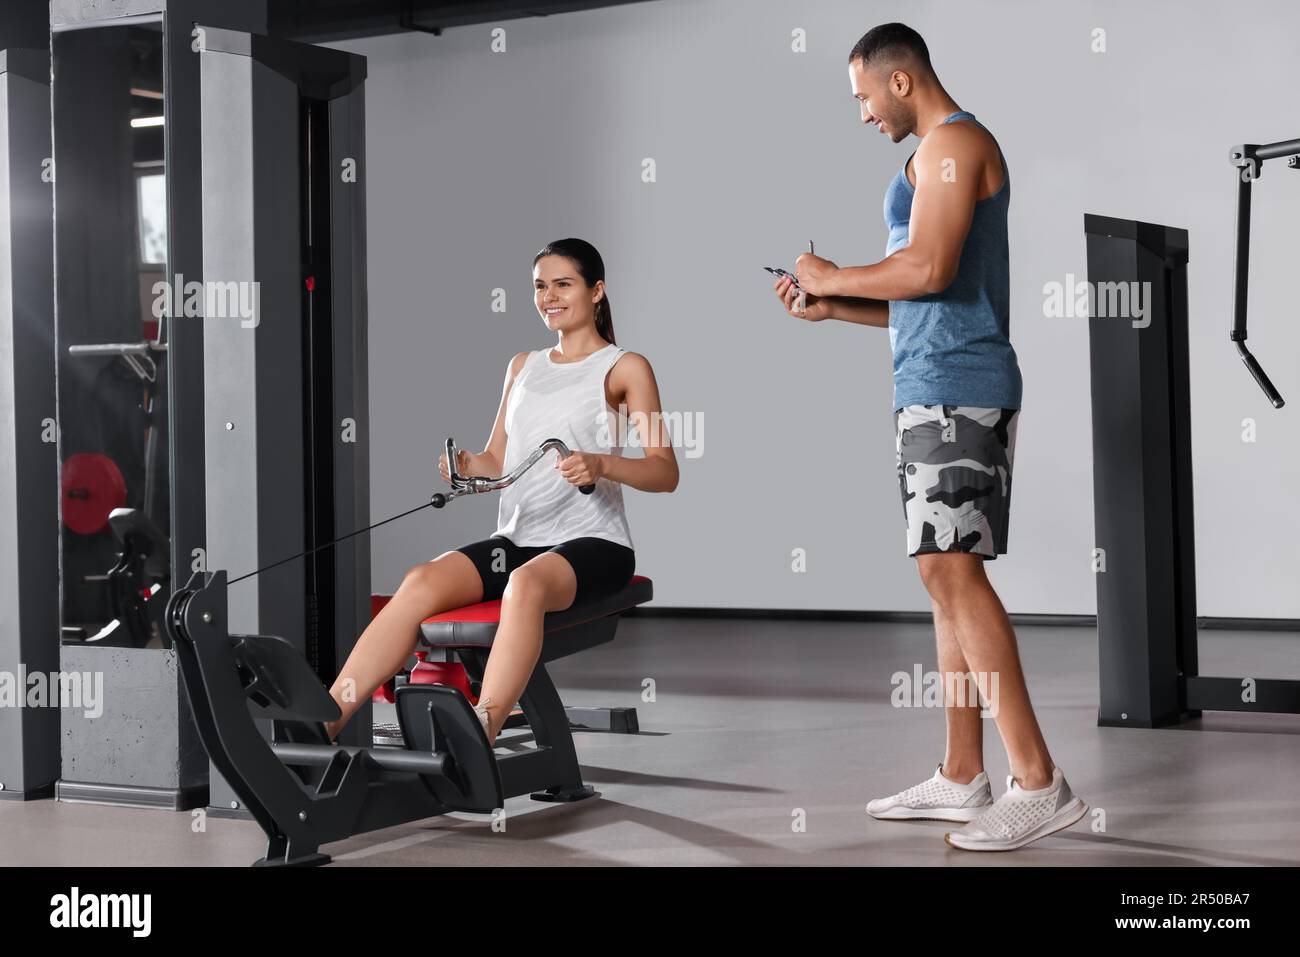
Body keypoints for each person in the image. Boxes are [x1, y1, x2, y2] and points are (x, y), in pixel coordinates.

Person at [772, 23, 1087, 851]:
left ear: (900, 80)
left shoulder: (957, 145)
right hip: (924, 384)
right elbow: (915, 290)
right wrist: (832, 302)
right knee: (940, 573)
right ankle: (959, 773)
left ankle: (1038, 781)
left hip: (963, 385)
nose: (863, 112)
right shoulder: (924, 162)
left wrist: (834, 273)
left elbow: (935, 267)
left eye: (863, 96)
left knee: (954, 570)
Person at [325, 237, 678, 745]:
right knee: (422, 580)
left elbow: (664, 471)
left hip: (595, 543)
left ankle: (482, 726)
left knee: (526, 586)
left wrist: (601, 463)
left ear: (597, 291)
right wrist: (466, 464)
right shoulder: (522, 366)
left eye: (563, 284)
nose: (548, 296)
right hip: (518, 539)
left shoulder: (624, 368)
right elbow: (496, 461)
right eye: (539, 286)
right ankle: (329, 716)